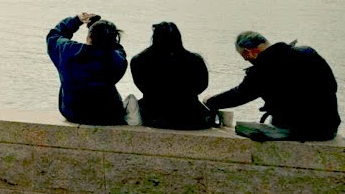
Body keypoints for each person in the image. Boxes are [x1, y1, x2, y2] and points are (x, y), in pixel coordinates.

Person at [205, 31, 339, 141]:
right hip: (328, 128)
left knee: (240, 128)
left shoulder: (261, 70)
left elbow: (239, 95)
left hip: (300, 131)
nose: (248, 61)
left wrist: (210, 102)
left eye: (245, 57)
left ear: (248, 52)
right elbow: (332, 85)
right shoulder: (308, 52)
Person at [46, 12, 131, 125]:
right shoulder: (116, 59)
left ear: (89, 36)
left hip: (73, 113)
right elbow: (116, 48)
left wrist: (76, 21)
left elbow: (53, 37)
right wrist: (103, 31)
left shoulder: (68, 51)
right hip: (107, 114)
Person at [129, 22, 213, 130]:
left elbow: (142, 86)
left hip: (154, 115)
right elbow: (202, 85)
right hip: (190, 116)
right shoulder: (195, 60)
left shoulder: (139, 60)